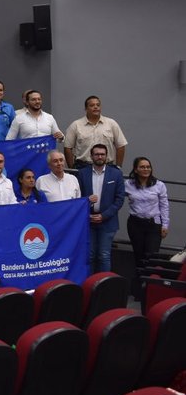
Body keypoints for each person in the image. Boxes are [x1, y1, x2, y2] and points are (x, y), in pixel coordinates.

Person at [77, 144, 125, 273]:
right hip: (88, 221)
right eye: (97, 154)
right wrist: (87, 214)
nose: (99, 156)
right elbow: (78, 197)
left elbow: (120, 199)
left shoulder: (116, 174)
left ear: (107, 156)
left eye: (102, 154)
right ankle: (89, 286)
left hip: (108, 221)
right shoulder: (82, 173)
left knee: (104, 255)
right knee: (90, 255)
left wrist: (104, 215)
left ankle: (104, 287)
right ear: (91, 156)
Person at [125, 157, 169, 296]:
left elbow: (164, 206)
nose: (146, 169)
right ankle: (138, 291)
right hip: (135, 224)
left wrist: (165, 224)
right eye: (142, 167)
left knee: (151, 256)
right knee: (139, 256)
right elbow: (117, 196)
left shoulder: (159, 185)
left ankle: (150, 289)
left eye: (148, 167)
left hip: (153, 225)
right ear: (136, 169)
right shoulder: (128, 184)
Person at [64, 95, 128, 168]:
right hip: (83, 167)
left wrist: (118, 167)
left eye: (98, 105)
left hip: (107, 166)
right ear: (86, 108)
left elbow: (121, 145)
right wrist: (72, 169)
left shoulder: (111, 123)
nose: (95, 107)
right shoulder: (76, 125)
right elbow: (67, 147)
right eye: (92, 105)